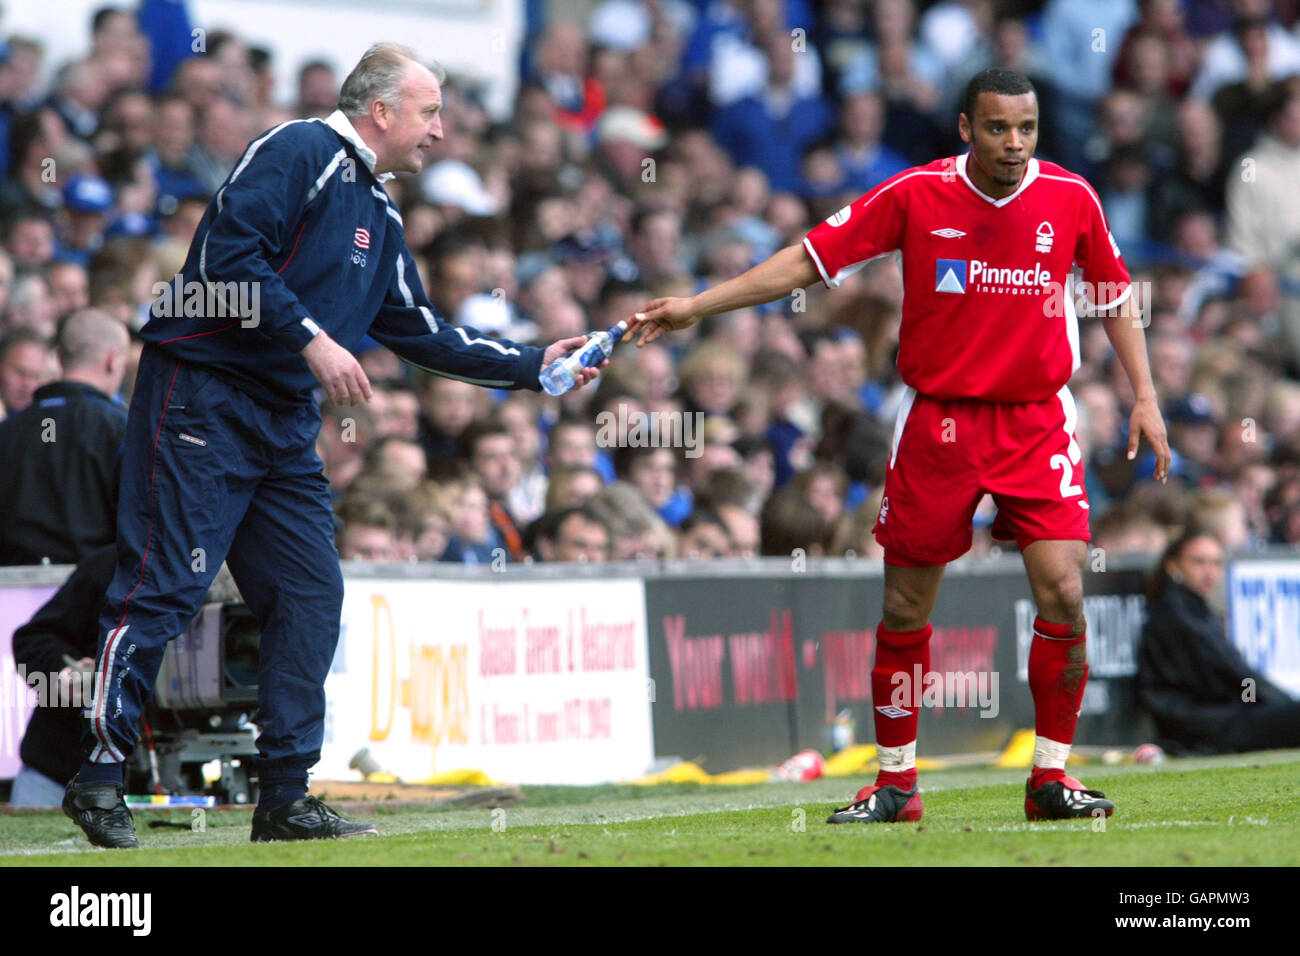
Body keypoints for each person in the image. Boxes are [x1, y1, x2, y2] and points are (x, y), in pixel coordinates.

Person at [63, 43, 602, 849]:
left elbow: (419, 330)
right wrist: (313, 337)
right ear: (380, 110)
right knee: (164, 586)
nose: (441, 133)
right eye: (429, 114)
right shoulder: (297, 150)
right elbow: (223, 260)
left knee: (311, 596)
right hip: (202, 392)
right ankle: (100, 776)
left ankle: (284, 794)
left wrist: (533, 366)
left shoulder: (379, 212)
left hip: (280, 420)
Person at [626, 68, 1172, 825]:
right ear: (964, 128)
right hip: (938, 423)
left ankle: (1051, 777)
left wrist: (1145, 397)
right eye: (996, 128)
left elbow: (1114, 297)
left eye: (1026, 128)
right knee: (908, 607)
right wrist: (698, 306)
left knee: (1065, 593)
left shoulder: (1071, 197)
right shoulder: (916, 194)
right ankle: (895, 784)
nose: (1013, 144)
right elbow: (808, 260)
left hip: (1035, 419)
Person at [1137, 528, 1300, 754]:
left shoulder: (1191, 608)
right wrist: (1285, 707)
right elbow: (1232, 672)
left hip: (1209, 718)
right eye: (1199, 562)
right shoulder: (1177, 613)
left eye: (1216, 563)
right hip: (1200, 724)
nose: (1209, 572)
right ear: (1173, 566)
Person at [0, 309, 128, 566]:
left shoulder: (8, 430)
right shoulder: (123, 430)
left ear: (58, 358)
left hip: (10, 592)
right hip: (93, 594)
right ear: (112, 360)